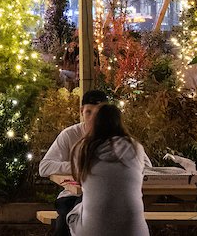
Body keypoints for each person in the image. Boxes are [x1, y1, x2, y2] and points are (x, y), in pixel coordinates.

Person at [39, 90, 152, 236]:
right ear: (82, 112)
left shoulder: (88, 148)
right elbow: (44, 167)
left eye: (98, 114)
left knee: (76, 215)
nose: (93, 118)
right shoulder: (134, 146)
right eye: (89, 112)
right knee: (71, 210)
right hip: (78, 198)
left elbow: (148, 167)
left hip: (91, 215)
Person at [65, 105, 149, 236]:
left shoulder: (84, 149)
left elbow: (81, 181)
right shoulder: (136, 147)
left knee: (73, 212)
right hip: (136, 231)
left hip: (92, 231)